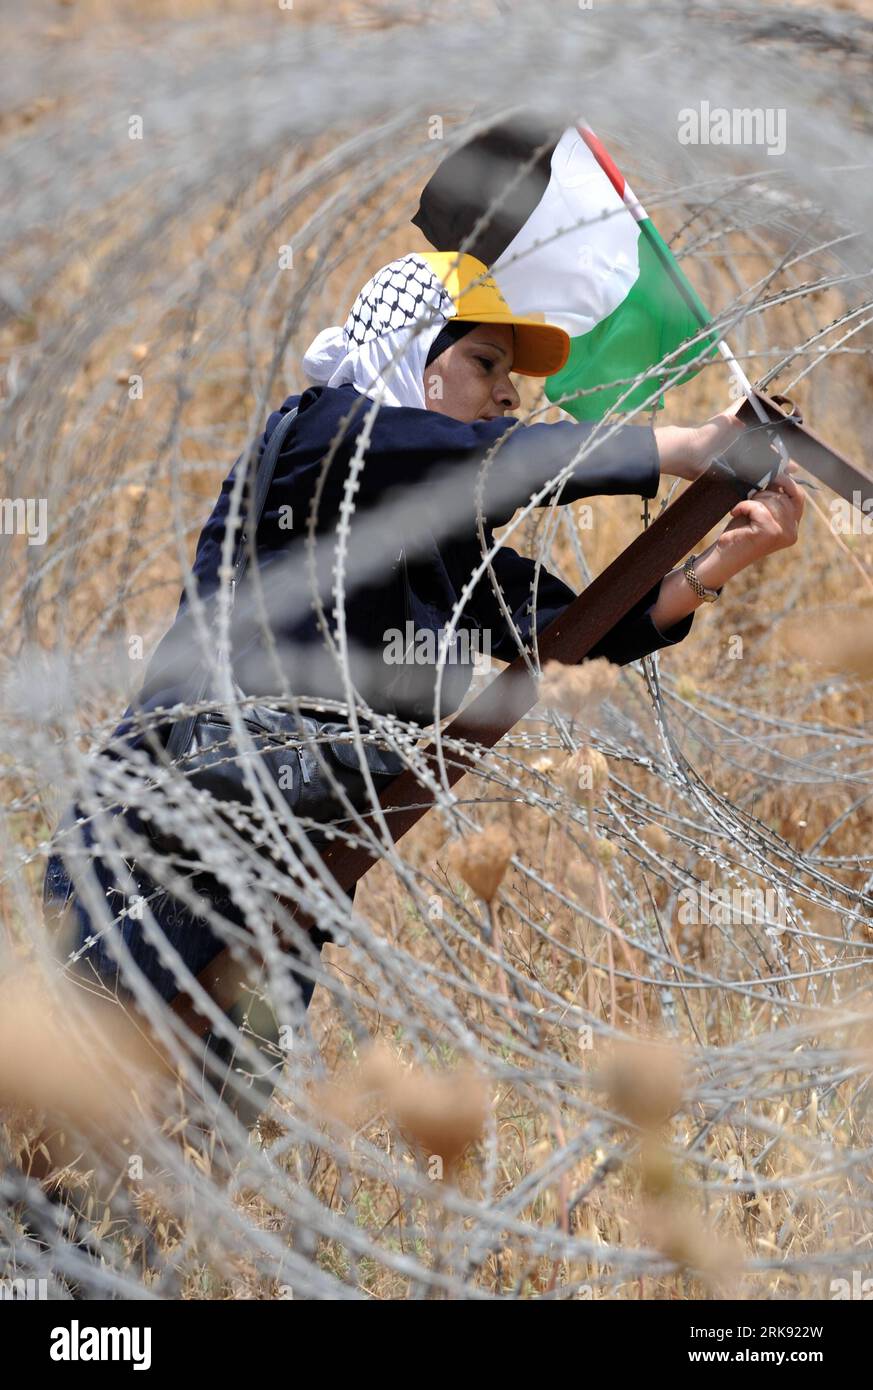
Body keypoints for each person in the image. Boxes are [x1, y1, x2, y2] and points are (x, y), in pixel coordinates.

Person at [42, 251, 804, 1120]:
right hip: (155, 846)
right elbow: (494, 460)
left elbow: (571, 632)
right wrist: (692, 448)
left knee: (202, 1153)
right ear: (413, 352)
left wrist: (721, 558)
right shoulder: (323, 438)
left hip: (286, 875)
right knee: (72, 1142)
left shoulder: (438, 548)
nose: (507, 393)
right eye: (485, 364)